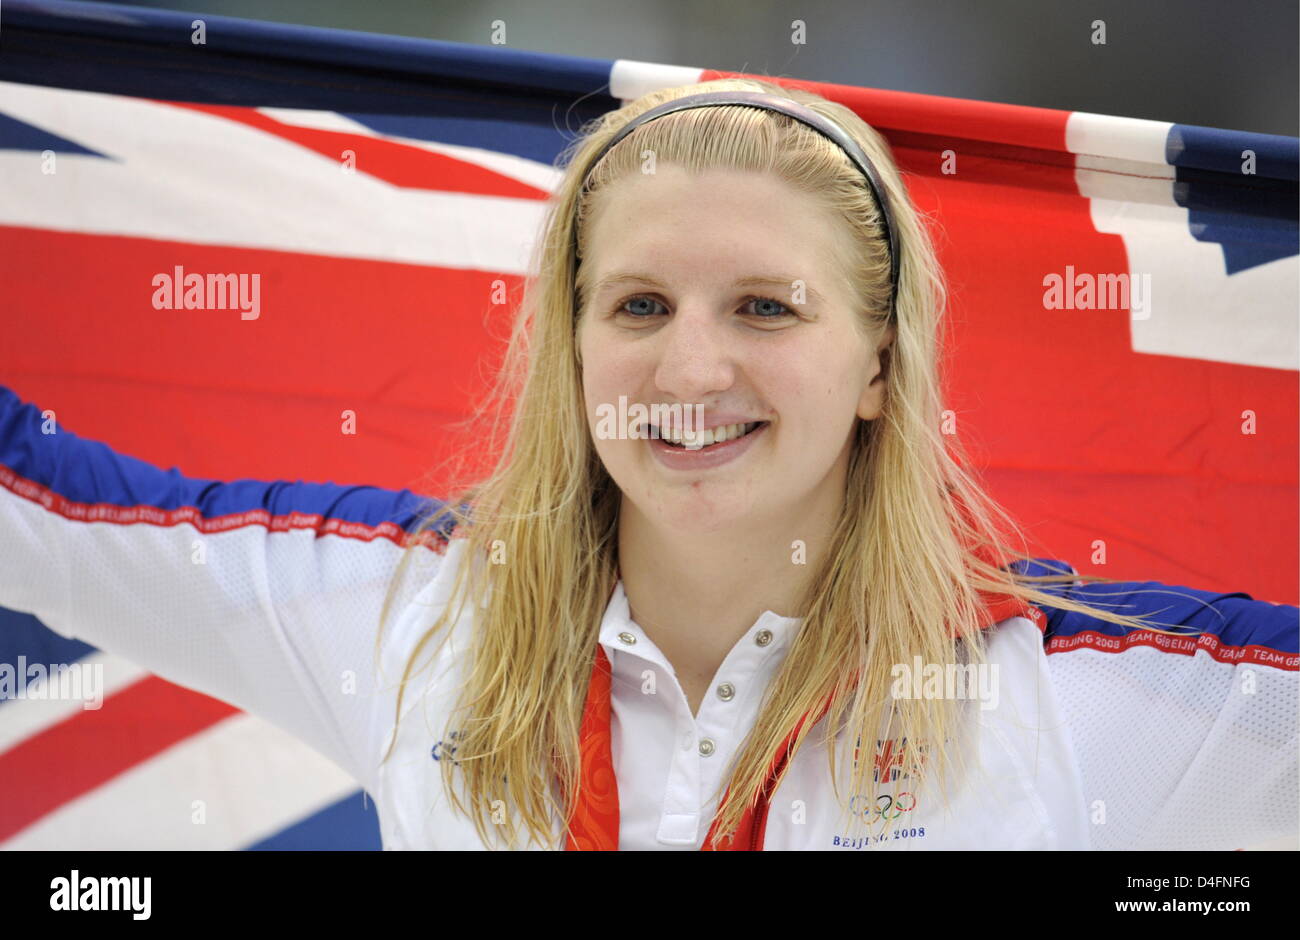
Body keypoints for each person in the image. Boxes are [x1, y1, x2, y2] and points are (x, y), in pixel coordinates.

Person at [0, 77, 1295, 851]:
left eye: (767, 310)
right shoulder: (402, 620)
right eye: (637, 308)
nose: (688, 375)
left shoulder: (1090, 700)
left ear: (883, 368)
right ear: (567, 346)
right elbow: (41, 513)